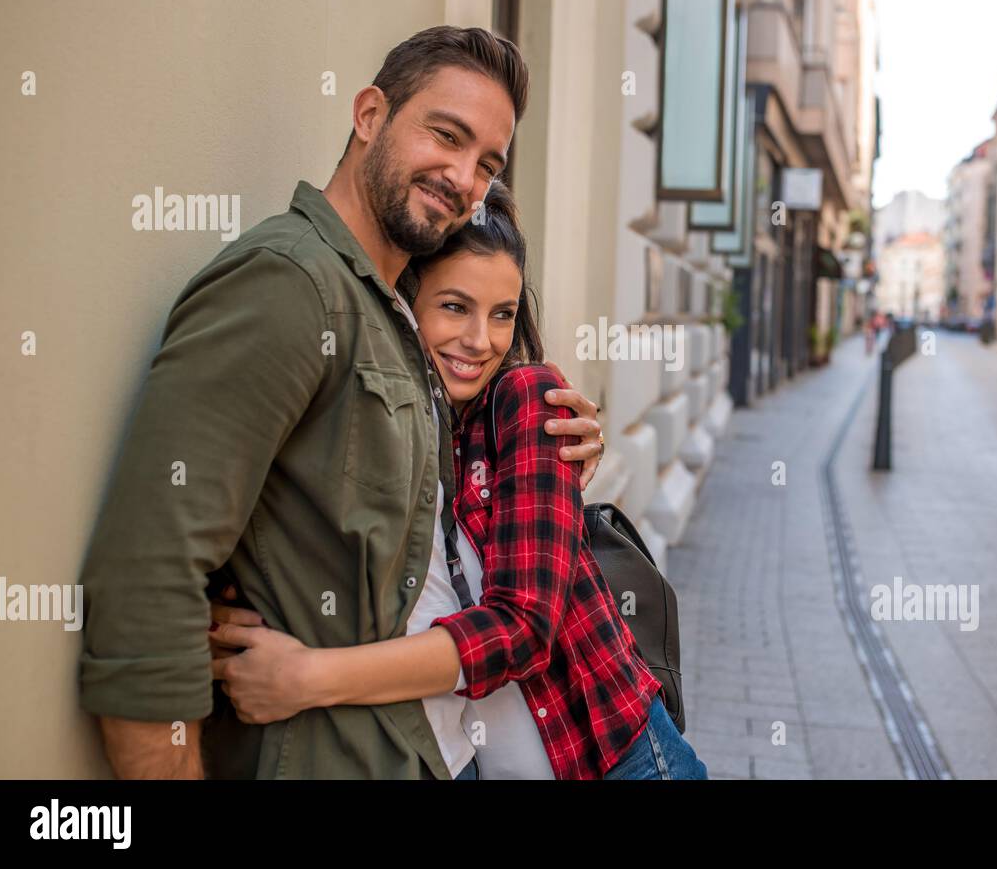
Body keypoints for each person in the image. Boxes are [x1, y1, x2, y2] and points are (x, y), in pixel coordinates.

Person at [78, 26, 606, 779]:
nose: (463, 177)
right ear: (368, 116)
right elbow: (146, 576)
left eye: (486, 164)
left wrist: (562, 442)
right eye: (445, 136)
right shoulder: (290, 286)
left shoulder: (390, 311)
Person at [207, 181, 708, 780]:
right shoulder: (409, 428)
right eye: (454, 306)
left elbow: (522, 630)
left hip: (622, 763)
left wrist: (305, 677)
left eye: (503, 314)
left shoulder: (526, 402)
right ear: (406, 299)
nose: (481, 340)